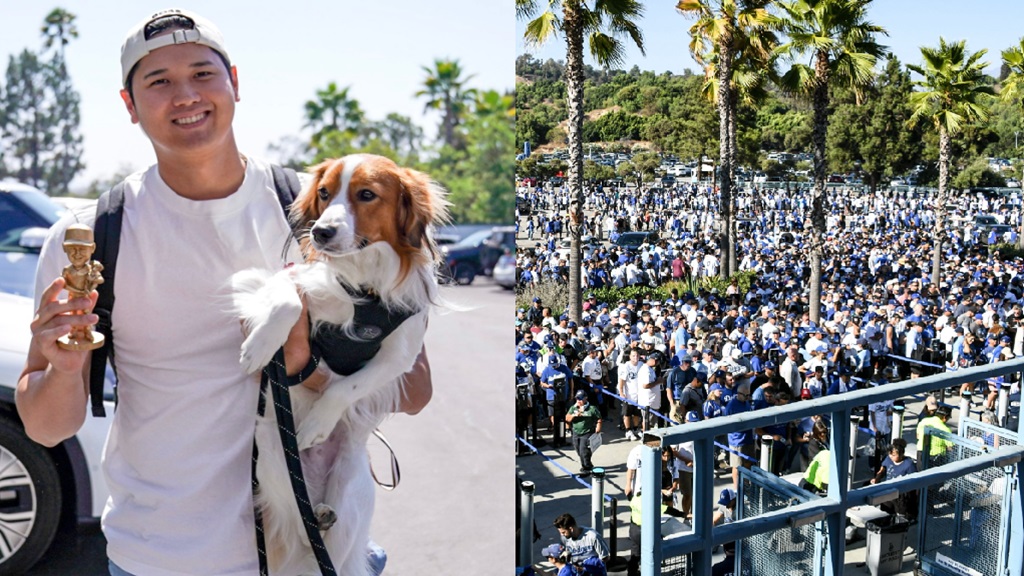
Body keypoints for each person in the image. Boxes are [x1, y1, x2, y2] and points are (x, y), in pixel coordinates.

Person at [16, 10, 431, 575]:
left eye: (202, 73)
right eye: (159, 80)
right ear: (130, 104)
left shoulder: (316, 211)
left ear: (234, 82)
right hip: (156, 557)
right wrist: (65, 369)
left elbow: (415, 390)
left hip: (315, 552)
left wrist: (306, 367)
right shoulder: (88, 237)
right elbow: (46, 427)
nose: (186, 94)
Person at [566, 390, 602, 476]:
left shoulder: (592, 408)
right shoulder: (573, 408)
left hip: (587, 432)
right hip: (576, 432)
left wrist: (598, 428)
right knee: (578, 449)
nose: (578, 400)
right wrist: (574, 415)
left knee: (584, 451)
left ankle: (586, 468)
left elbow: (599, 418)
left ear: (586, 398)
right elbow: (567, 419)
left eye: (580, 398)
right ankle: (588, 464)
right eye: (577, 398)